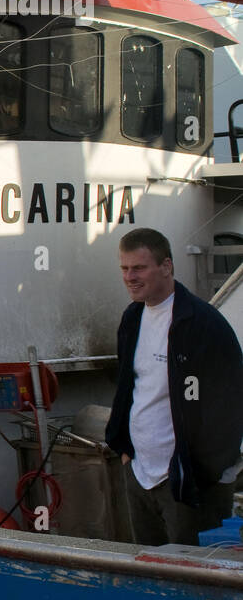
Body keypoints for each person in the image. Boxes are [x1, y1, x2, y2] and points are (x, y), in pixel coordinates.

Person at [106, 228, 243, 546]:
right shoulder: (133, 318)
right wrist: (126, 451)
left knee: (191, 579)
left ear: (166, 266)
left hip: (188, 482)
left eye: (139, 268)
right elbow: (129, 388)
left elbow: (230, 406)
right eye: (124, 269)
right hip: (140, 472)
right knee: (150, 574)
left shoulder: (203, 324)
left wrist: (201, 472)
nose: (130, 277)